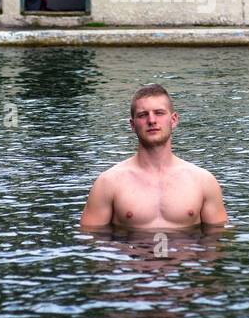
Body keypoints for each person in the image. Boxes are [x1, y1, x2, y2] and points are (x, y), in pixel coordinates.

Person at [79, 84, 228, 230]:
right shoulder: (108, 183)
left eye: (159, 113)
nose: (151, 120)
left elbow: (216, 238)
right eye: (143, 115)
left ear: (174, 120)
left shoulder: (203, 182)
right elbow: (92, 240)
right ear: (132, 125)